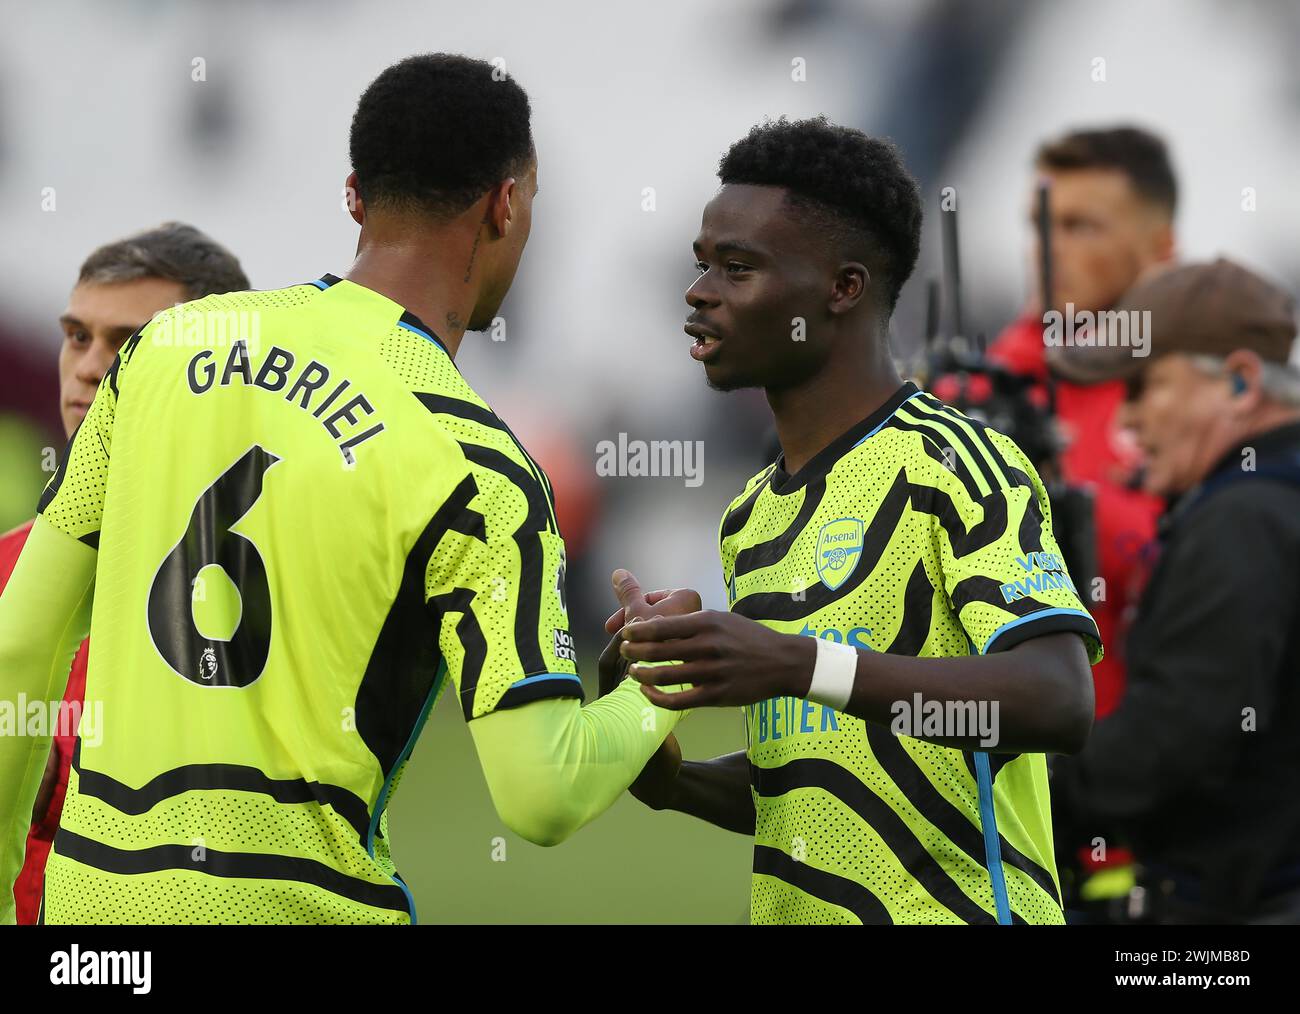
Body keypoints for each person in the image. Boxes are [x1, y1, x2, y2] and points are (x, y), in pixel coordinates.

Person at [0, 53, 687, 925]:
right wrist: (657, 689)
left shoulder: (159, 353)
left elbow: (18, 646)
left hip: (95, 919)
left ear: (354, 197)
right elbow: (542, 794)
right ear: (506, 206)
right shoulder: (477, 461)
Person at [607, 117, 1102, 924]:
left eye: (739, 268)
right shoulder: (750, 516)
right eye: (703, 265)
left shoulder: (956, 462)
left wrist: (798, 664)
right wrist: (670, 781)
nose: (700, 292)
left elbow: (1056, 700)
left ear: (842, 289)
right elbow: (827, 780)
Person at [0, 222, 248, 923]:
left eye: (128, 346)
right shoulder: (7, 570)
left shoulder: (253, 586)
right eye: (77, 336)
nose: (88, 368)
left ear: (219, 376)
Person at [1050, 258, 1300, 924]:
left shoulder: (1244, 518)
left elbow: (1178, 736)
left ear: (1241, 382)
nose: (1127, 420)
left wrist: (1028, 798)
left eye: (1144, 386)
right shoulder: (1272, 500)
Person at [989, 126, 1174, 718]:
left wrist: (1059, 497)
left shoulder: (1202, 386)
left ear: (1160, 247)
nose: (1048, 248)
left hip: (1160, 744)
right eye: (1039, 225)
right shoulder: (988, 384)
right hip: (1015, 750)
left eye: (1080, 227)